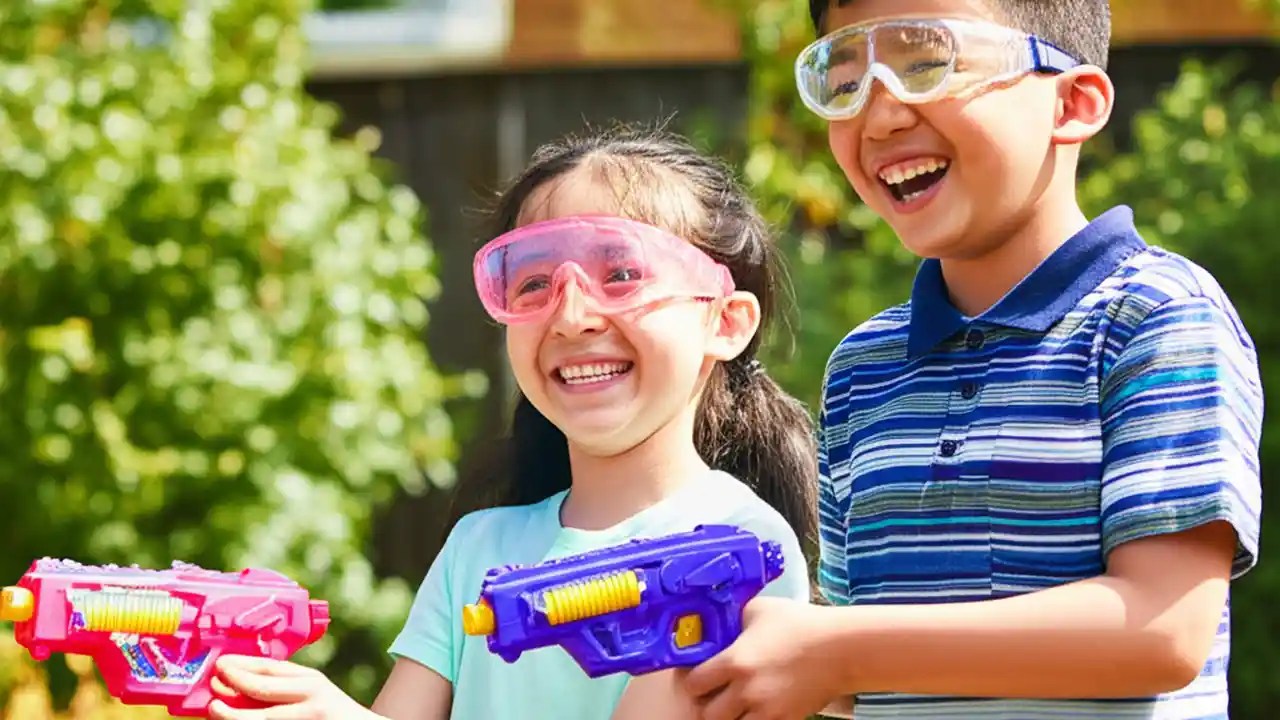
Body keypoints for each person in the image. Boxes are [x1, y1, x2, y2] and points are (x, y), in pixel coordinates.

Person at [681, 1, 1264, 718]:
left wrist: (841, 648)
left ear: (1073, 103)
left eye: (927, 63)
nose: (880, 114)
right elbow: (853, 671)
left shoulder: (1154, 313)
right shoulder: (863, 368)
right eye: (844, 79)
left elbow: (1162, 630)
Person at [204, 123, 819, 720]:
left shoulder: (739, 546)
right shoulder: (476, 548)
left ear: (727, 321)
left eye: (623, 274)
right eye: (532, 282)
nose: (572, 315)